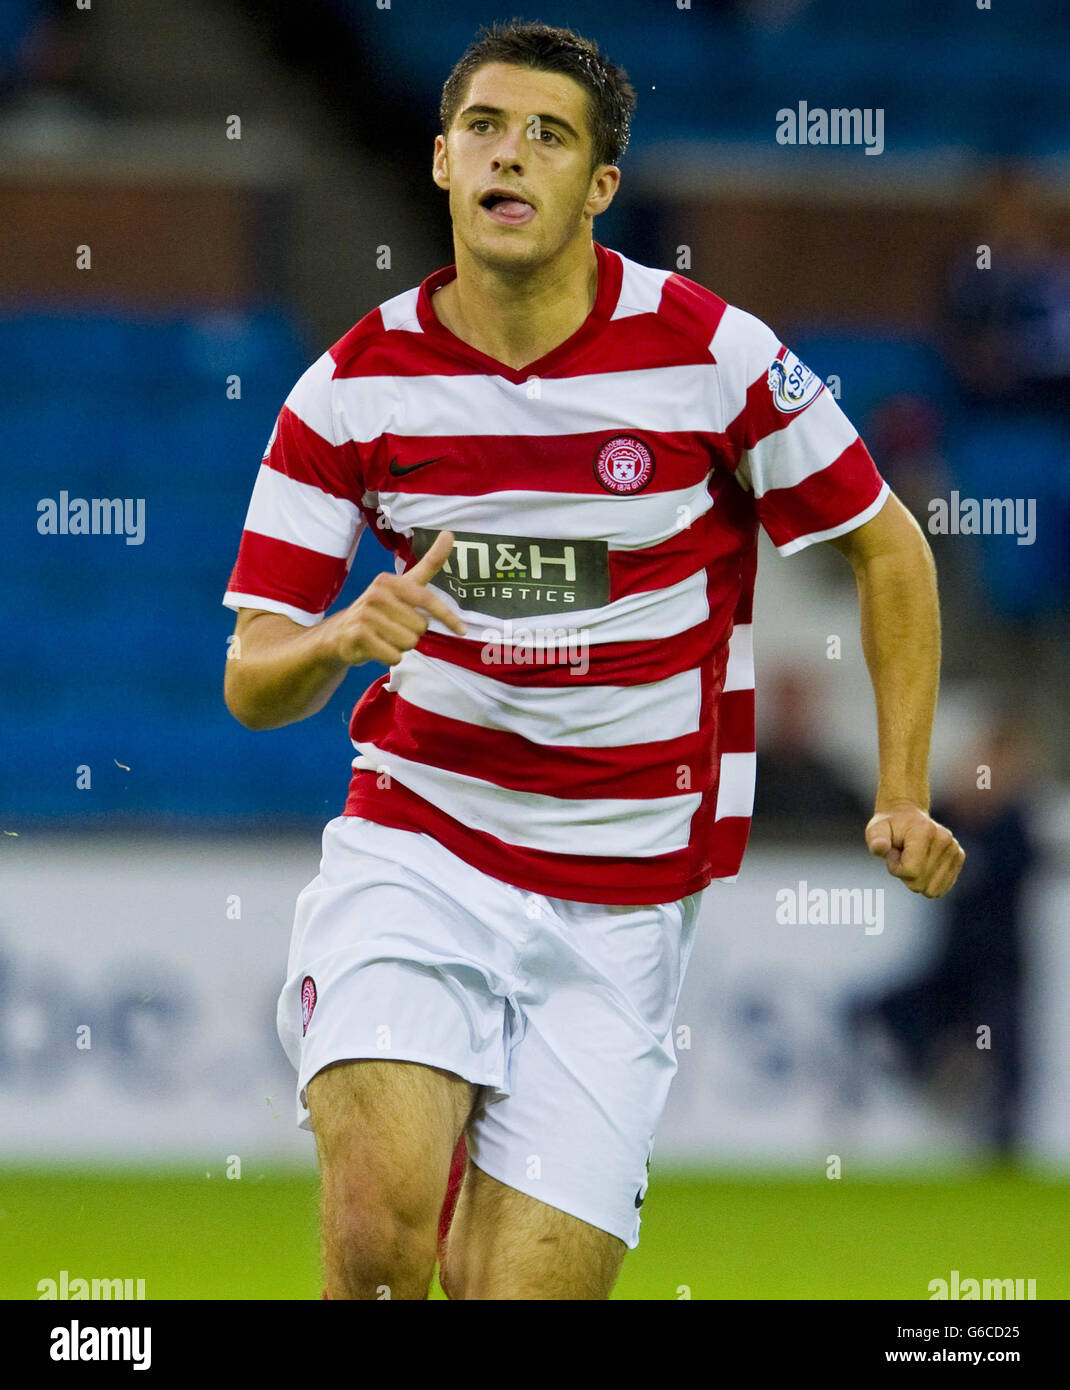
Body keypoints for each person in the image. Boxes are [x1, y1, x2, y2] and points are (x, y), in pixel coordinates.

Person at [222, 20, 965, 1300]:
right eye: (486, 129)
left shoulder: (710, 354)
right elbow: (253, 676)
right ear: (444, 162)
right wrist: (340, 637)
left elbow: (888, 548)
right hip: (421, 845)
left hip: (624, 901)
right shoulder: (345, 388)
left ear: (598, 186)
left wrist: (900, 786)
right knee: (373, 1245)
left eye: (549, 136)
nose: (513, 156)